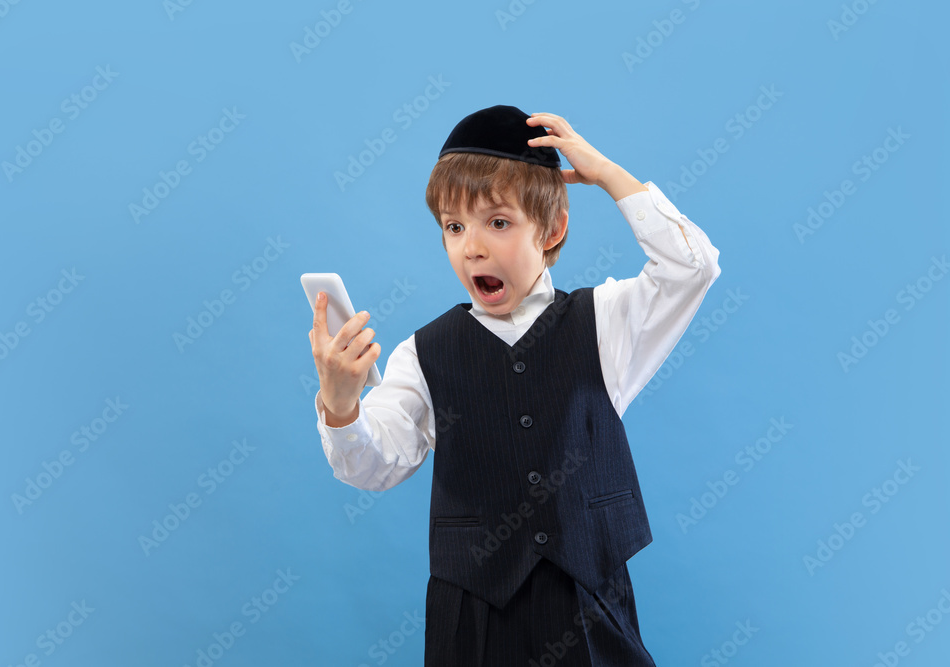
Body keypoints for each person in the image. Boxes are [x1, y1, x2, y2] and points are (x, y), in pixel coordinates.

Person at [309, 105, 721, 666]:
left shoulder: (605, 322)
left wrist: (605, 174)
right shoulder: (425, 352)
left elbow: (690, 268)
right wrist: (340, 403)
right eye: (454, 226)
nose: (471, 247)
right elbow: (373, 465)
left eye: (497, 222)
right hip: (474, 611)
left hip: (588, 595)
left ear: (551, 229)